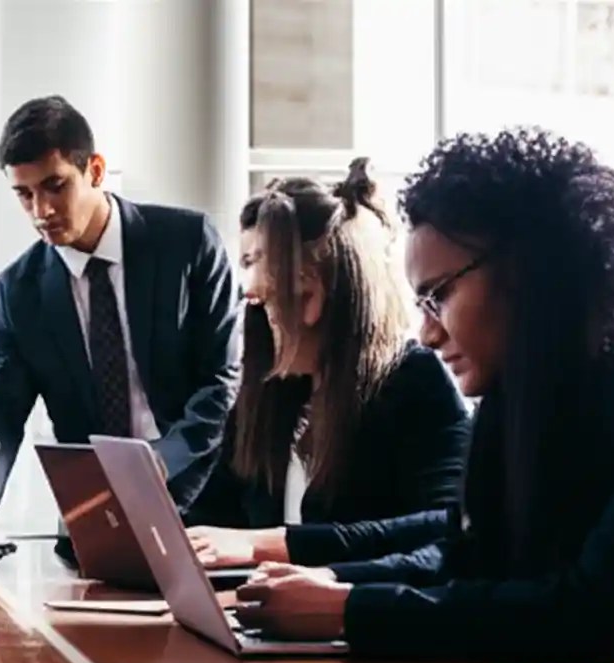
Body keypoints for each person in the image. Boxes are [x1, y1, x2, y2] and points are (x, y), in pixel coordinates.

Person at [234, 128, 614, 663]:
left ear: (528, 271)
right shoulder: (514, 390)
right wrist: (327, 584)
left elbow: (596, 612)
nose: (426, 332)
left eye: (439, 295)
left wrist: (348, 607)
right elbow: (465, 557)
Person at [0, 95, 239, 531]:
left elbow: (221, 380)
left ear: (94, 170)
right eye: (24, 194)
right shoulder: (19, 290)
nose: (42, 211)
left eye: (56, 186)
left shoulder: (187, 243)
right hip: (97, 523)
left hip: (207, 510)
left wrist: (155, 468)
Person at [184, 161, 470, 568]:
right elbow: (212, 521)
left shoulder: (413, 382)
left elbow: (446, 528)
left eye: (264, 301)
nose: (253, 313)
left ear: (314, 294)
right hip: (258, 621)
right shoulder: (270, 394)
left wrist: (275, 545)